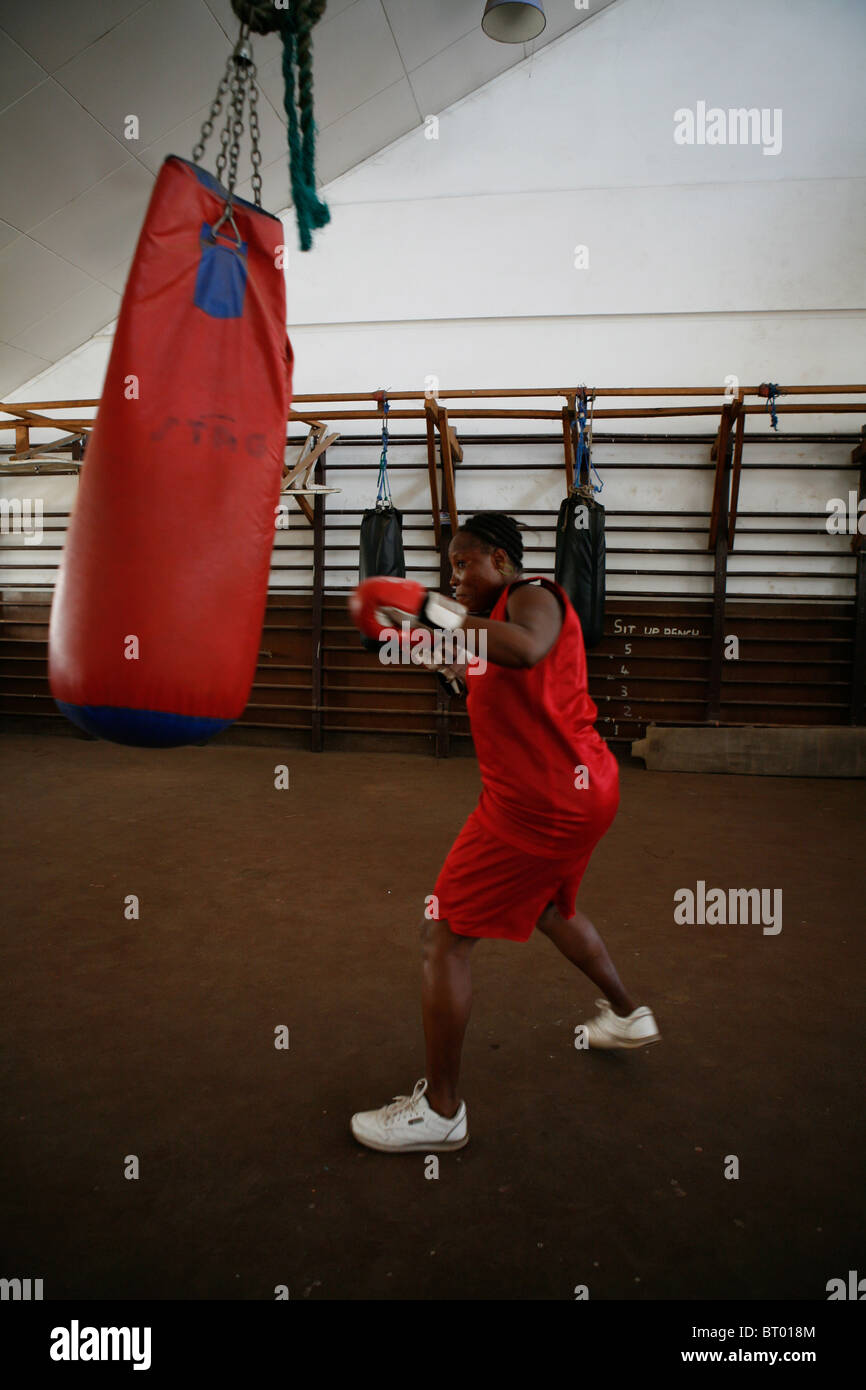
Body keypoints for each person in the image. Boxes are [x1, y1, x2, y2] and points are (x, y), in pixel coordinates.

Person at [347, 512, 659, 1153]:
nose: (455, 577)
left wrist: (434, 613)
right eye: (450, 567)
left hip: (536, 807)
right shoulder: (481, 632)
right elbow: (463, 657)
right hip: (580, 793)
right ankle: (628, 1014)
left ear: (501, 561)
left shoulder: (534, 595)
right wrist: (404, 630)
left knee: (445, 935)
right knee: (549, 908)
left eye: (465, 564)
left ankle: (440, 1112)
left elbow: (525, 647)